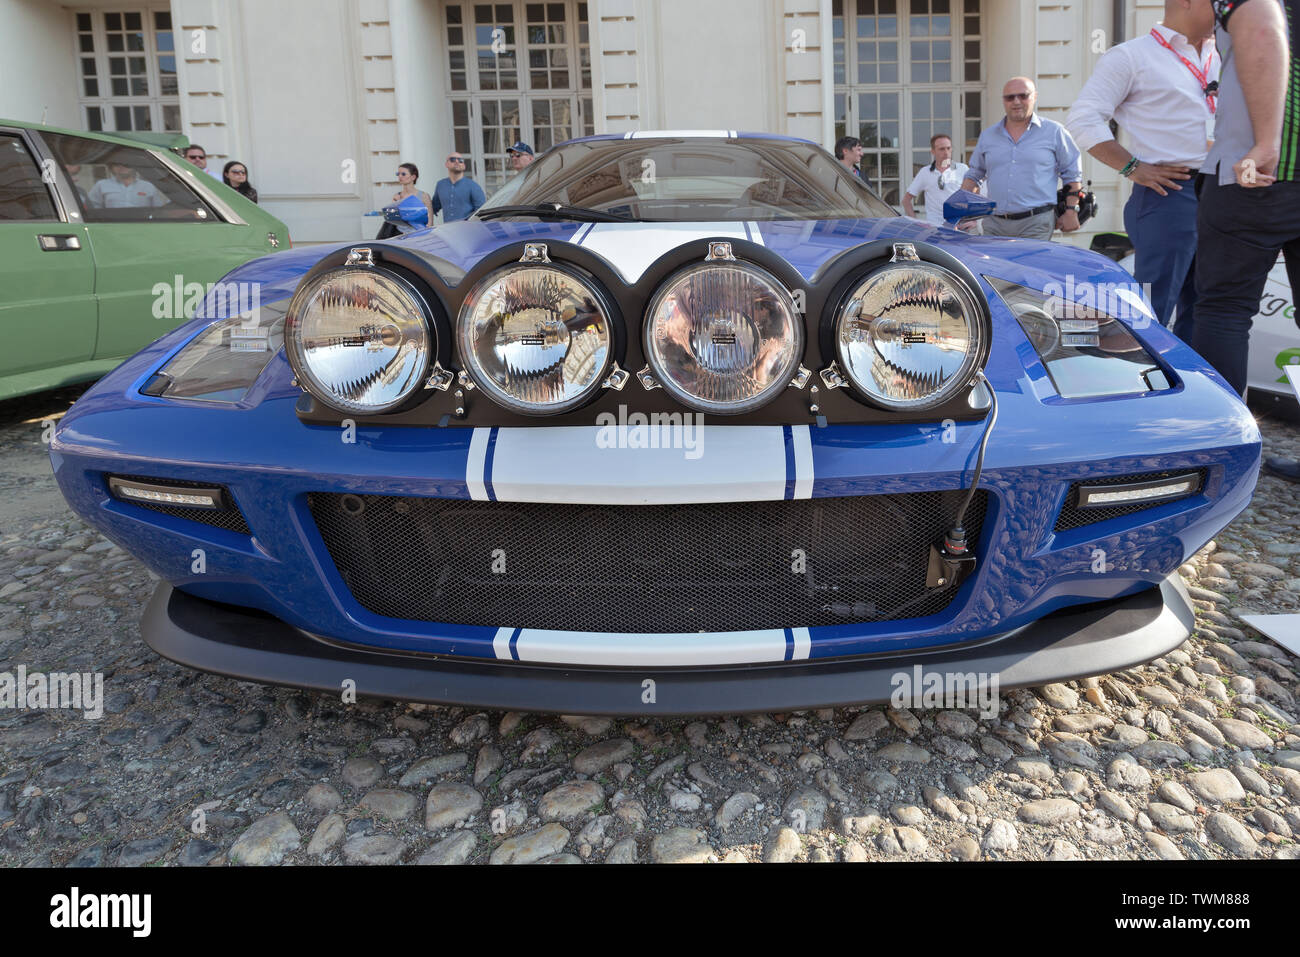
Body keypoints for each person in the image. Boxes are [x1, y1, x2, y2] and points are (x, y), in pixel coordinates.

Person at [1066, 0, 1220, 341]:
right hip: (1170, 193)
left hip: (1223, 191)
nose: (1227, 8)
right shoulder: (1131, 56)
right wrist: (1132, 167)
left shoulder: (1224, 52)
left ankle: (1194, 389)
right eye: (1218, 2)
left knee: (1209, 308)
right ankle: (1130, 386)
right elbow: (1083, 119)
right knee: (1151, 309)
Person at [1190, 0, 1298, 481]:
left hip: (1258, 178)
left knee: (1223, 311)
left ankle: (1223, 461)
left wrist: (1266, 143)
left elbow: (1259, 29)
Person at [961, 77, 1083, 239]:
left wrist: (1071, 211)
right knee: (995, 266)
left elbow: (1072, 174)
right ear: (1004, 101)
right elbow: (974, 174)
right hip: (995, 223)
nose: (1016, 102)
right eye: (1010, 97)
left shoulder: (1054, 132)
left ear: (1035, 97)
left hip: (1036, 222)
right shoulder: (988, 136)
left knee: (1029, 265)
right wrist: (959, 210)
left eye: (1023, 96)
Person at [903, 133, 971, 225]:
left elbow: (974, 194)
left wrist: (972, 220)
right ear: (933, 151)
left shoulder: (962, 169)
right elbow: (906, 200)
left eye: (948, 148)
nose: (946, 152)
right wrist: (916, 223)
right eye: (942, 149)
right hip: (935, 228)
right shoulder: (925, 172)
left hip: (960, 227)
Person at [431, 152, 486, 223]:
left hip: (467, 230)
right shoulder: (441, 185)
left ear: (464, 166)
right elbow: (433, 206)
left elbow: (481, 210)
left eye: (460, 160)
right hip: (447, 229)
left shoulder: (473, 186)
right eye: (453, 159)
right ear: (446, 164)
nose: (457, 162)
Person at [87, 160, 167, 208]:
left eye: (126, 164)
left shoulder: (148, 187)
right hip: (111, 228)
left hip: (143, 226)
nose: (122, 167)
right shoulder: (101, 185)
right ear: (111, 167)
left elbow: (158, 210)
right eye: (117, 164)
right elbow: (92, 208)